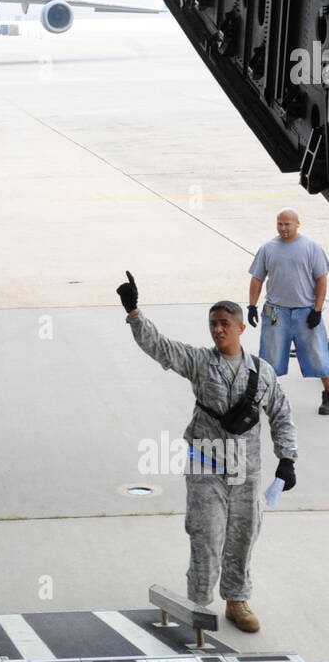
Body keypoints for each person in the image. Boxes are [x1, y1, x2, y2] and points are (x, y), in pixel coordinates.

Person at [116, 271, 297, 633]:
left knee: (244, 535)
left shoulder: (262, 372)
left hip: (246, 470)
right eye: (213, 324)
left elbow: (281, 413)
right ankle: (197, 606)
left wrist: (287, 459)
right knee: (207, 535)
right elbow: (161, 348)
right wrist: (135, 313)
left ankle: (237, 600)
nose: (217, 330)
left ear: (241, 328)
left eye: (224, 323)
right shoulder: (200, 362)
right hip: (206, 467)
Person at [248, 210, 329, 414]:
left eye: (287, 224)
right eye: (280, 224)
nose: (283, 228)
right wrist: (251, 305)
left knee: (320, 356)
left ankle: (328, 394)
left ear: (297, 224)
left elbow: (321, 279)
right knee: (270, 358)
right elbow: (257, 279)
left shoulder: (312, 248)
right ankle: (266, 396)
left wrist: (317, 309)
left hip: (306, 312)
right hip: (276, 313)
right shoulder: (268, 248)